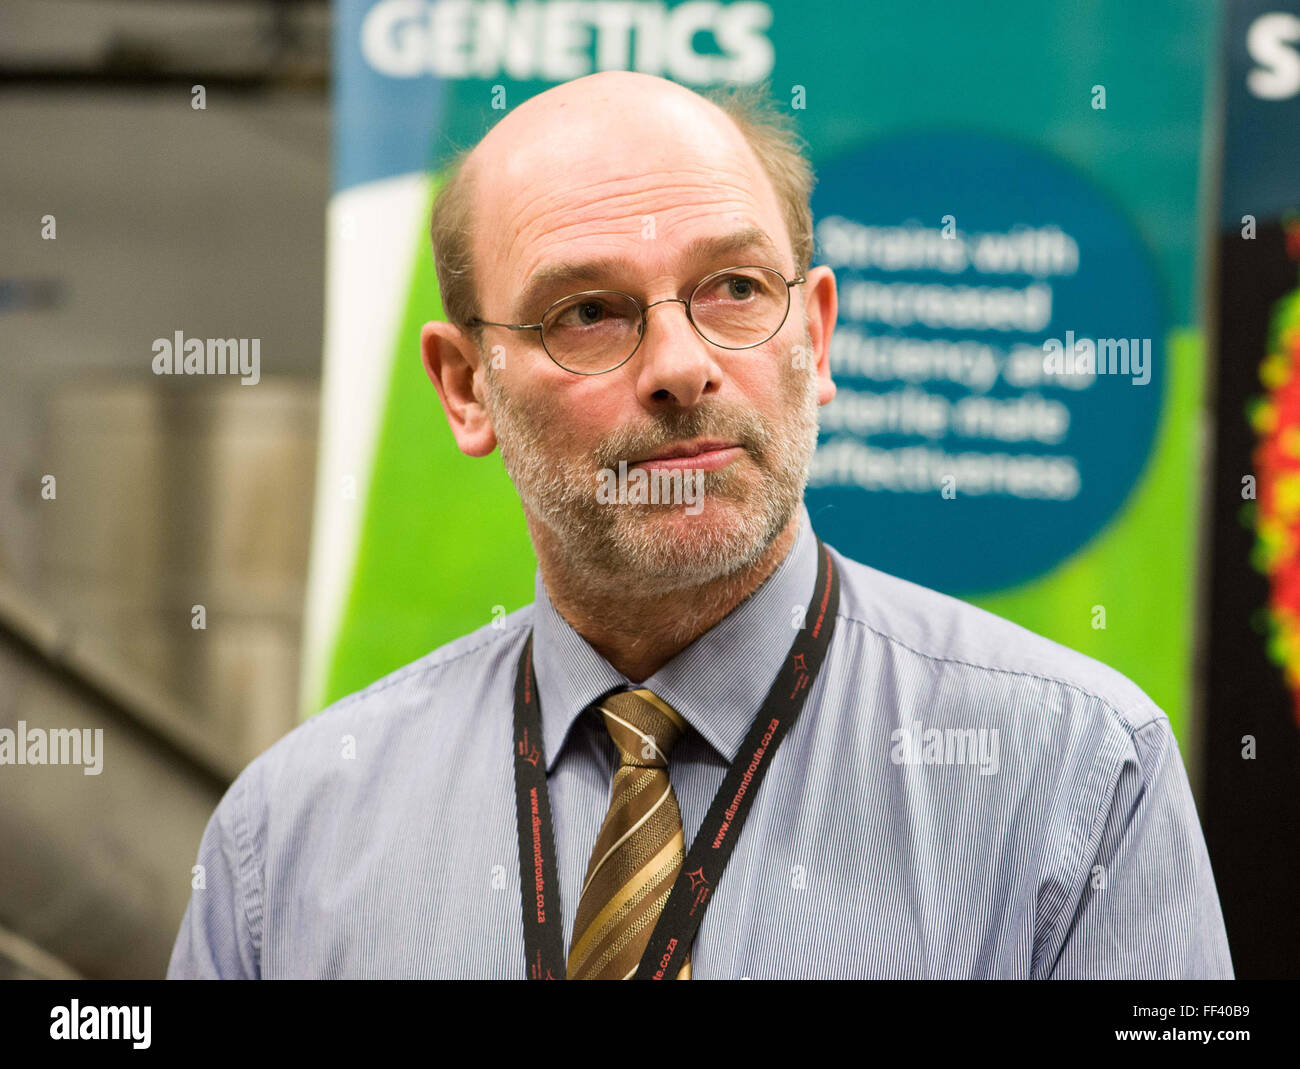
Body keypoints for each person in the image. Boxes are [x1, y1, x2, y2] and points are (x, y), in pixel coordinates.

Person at [167, 71, 1233, 979]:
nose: (682, 366)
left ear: (813, 336)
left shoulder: (1078, 779)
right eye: (587, 310)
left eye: (731, 288)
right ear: (464, 387)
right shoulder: (292, 836)